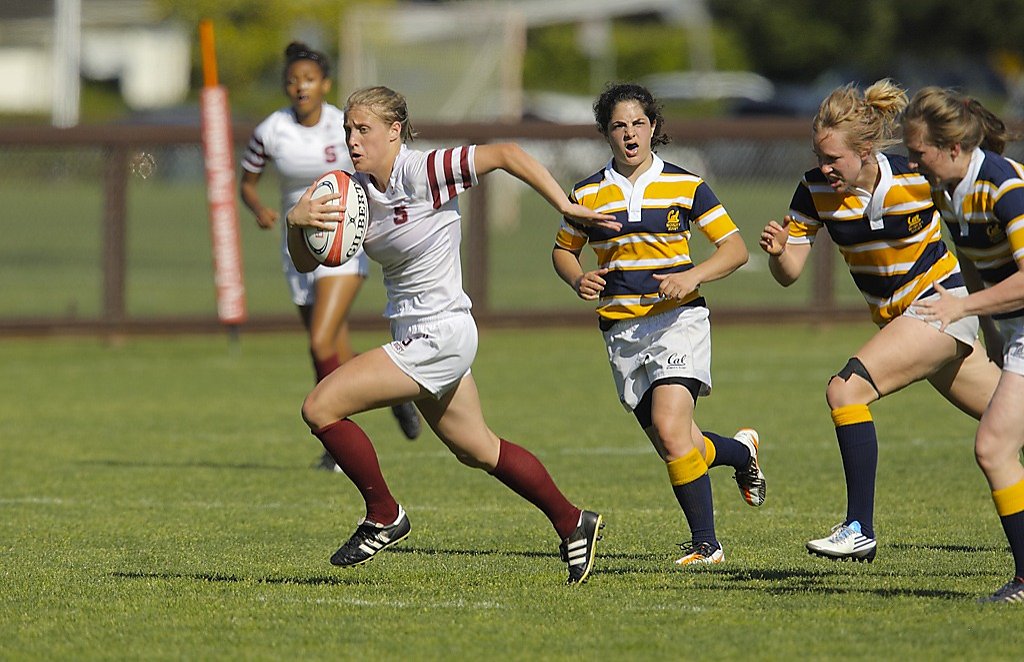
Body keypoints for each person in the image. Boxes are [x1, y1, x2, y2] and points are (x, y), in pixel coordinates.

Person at [284, 86, 620, 584]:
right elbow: (307, 261)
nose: (352, 140)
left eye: (363, 129)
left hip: (439, 334)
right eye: (348, 130)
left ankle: (384, 514)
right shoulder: (352, 191)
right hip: (420, 335)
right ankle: (573, 522)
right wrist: (296, 223)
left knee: (320, 407)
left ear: (395, 131)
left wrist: (566, 206)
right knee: (478, 450)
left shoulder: (423, 171)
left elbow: (507, 154)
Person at [758, 79, 1000, 563]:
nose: (824, 168)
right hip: (903, 323)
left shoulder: (916, 177)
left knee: (845, 391)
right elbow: (789, 274)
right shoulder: (814, 190)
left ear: (866, 151)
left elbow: (977, 204)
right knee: (1009, 420)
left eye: (834, 159)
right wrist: (780, 252)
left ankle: (859, 529)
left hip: (940, 305)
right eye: (819, 157)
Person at [551, 82, 765, 568]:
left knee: (670, 431)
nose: (630, 134)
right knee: (680, 444)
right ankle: (741, 453)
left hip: (678, 321)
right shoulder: (587, 192)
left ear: (654, 128)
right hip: (621, 332)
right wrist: (578, 278)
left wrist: (691, 276)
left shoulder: (686, 185)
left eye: (638, 124)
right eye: (618, 126)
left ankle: (706, 546)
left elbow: (734, 250)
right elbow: (563, 251)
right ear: (606, 133)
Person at [240, 43, 421, 473]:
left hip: (344, 241)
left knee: (320, 342)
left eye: (309, 79)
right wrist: (260, 209)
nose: (300, 87)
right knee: (330, 347)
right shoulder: (271, 130)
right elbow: (247, 182)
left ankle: (334, 437)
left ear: (324, 84)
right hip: (299, 245)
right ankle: (395, 397)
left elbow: (375, 167)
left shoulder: (344, 126)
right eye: (292, 80)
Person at [902, 87, 1024, 603]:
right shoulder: (947, 190)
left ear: (953, 147)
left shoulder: (1004, 186)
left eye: (918, 152)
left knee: (994, 447)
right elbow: (972, 259)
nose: (912, 163)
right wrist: (991, 330)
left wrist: (963, 308)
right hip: (1014, 329)